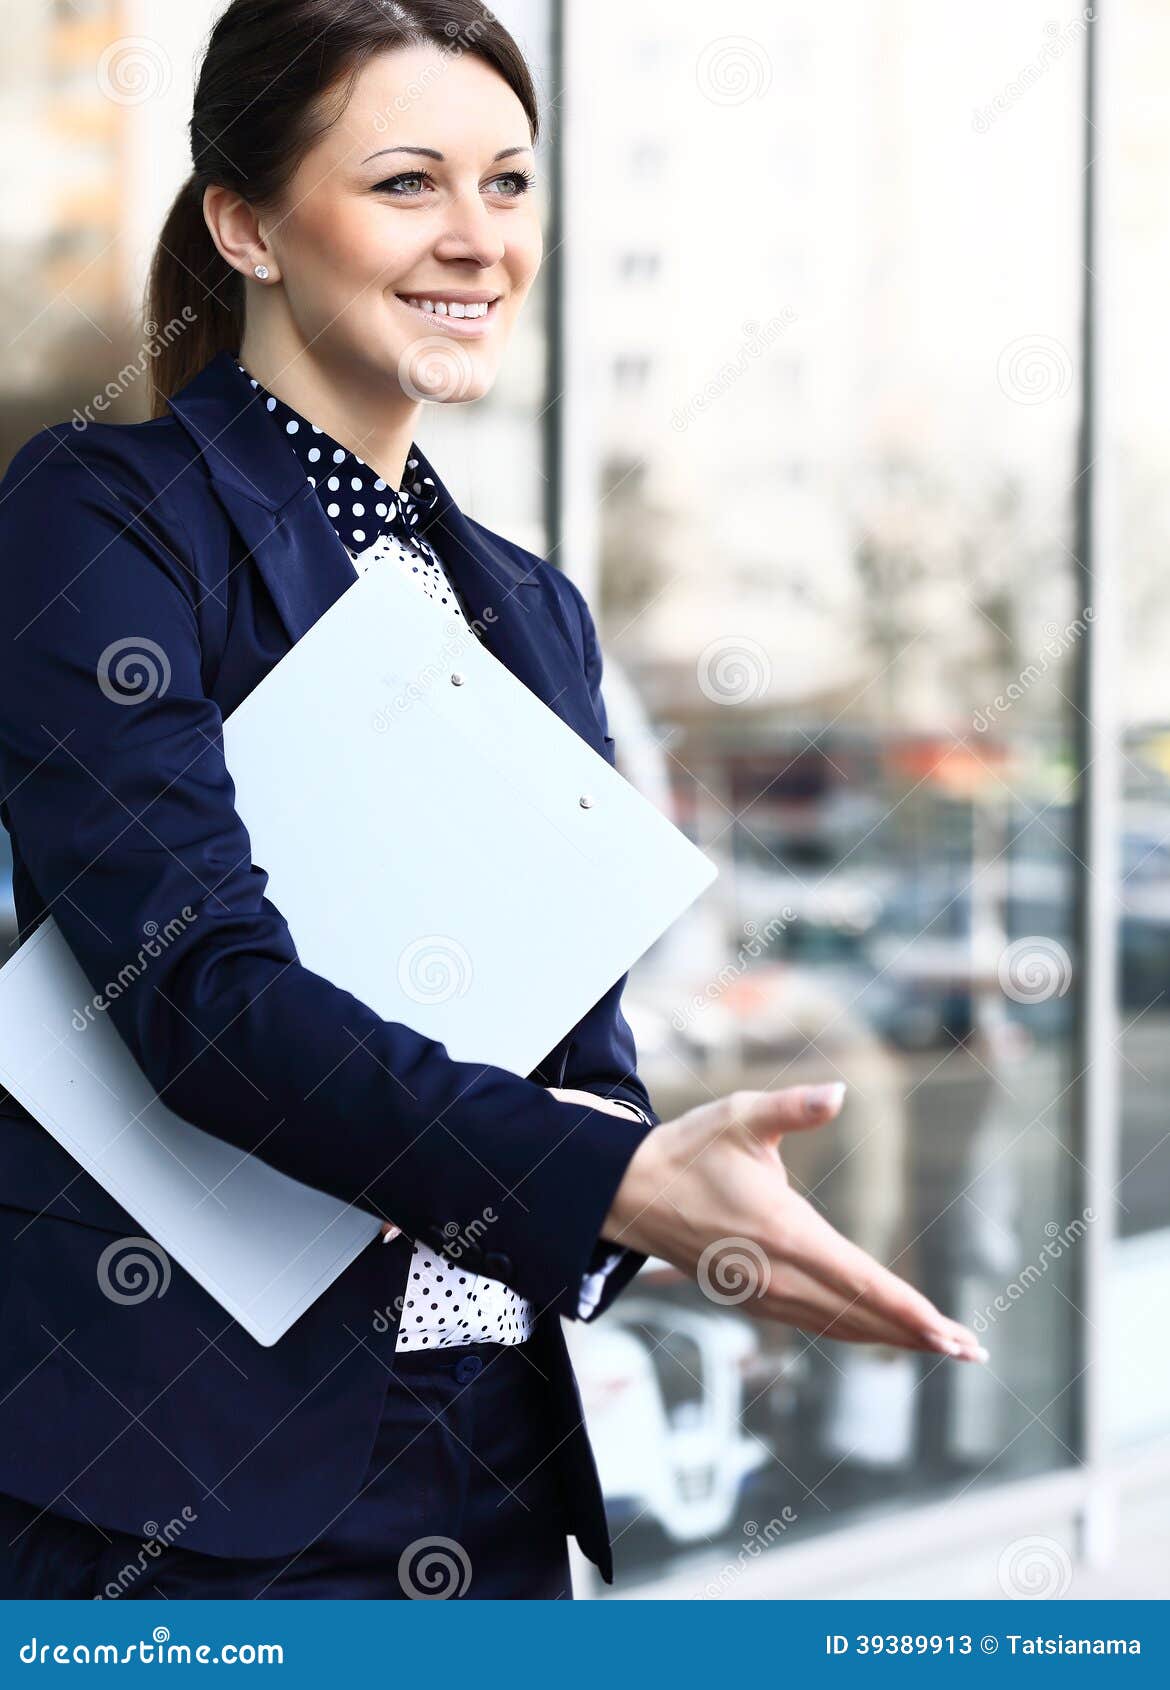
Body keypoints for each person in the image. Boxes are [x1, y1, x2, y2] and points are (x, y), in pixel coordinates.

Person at [0, 0, 983, 1602]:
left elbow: (565, 1048)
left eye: (509, 184)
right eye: (407, 184)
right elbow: (193, 993)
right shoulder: (103, 520)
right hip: (180, 1483)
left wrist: (677, 1174)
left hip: (485, 1458)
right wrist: (603, 1184)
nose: (476, 240)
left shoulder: (530, 610)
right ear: (245, 223)